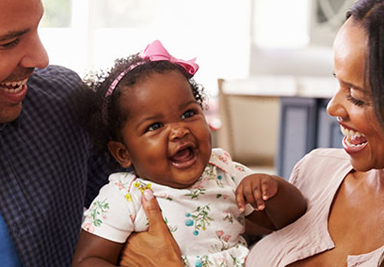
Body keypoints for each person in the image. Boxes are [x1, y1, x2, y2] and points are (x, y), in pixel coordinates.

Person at [117, 0, 384, 266]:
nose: (332, 107)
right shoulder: (318, 169)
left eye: (356, 97)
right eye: (336, 83)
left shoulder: (222, 171)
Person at [71, 40, 307, 267]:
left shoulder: (225, 173)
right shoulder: (125, 197)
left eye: (188, 114)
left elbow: (291, 218)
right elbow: (87, 260)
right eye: (155, 126)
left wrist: (274, 189)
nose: (179, 130)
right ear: (123, 153)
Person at [0, 0, 113, 266]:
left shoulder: (64, 104)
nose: (41, 59)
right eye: (9, 43)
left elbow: (154, 207)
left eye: (35, 29)